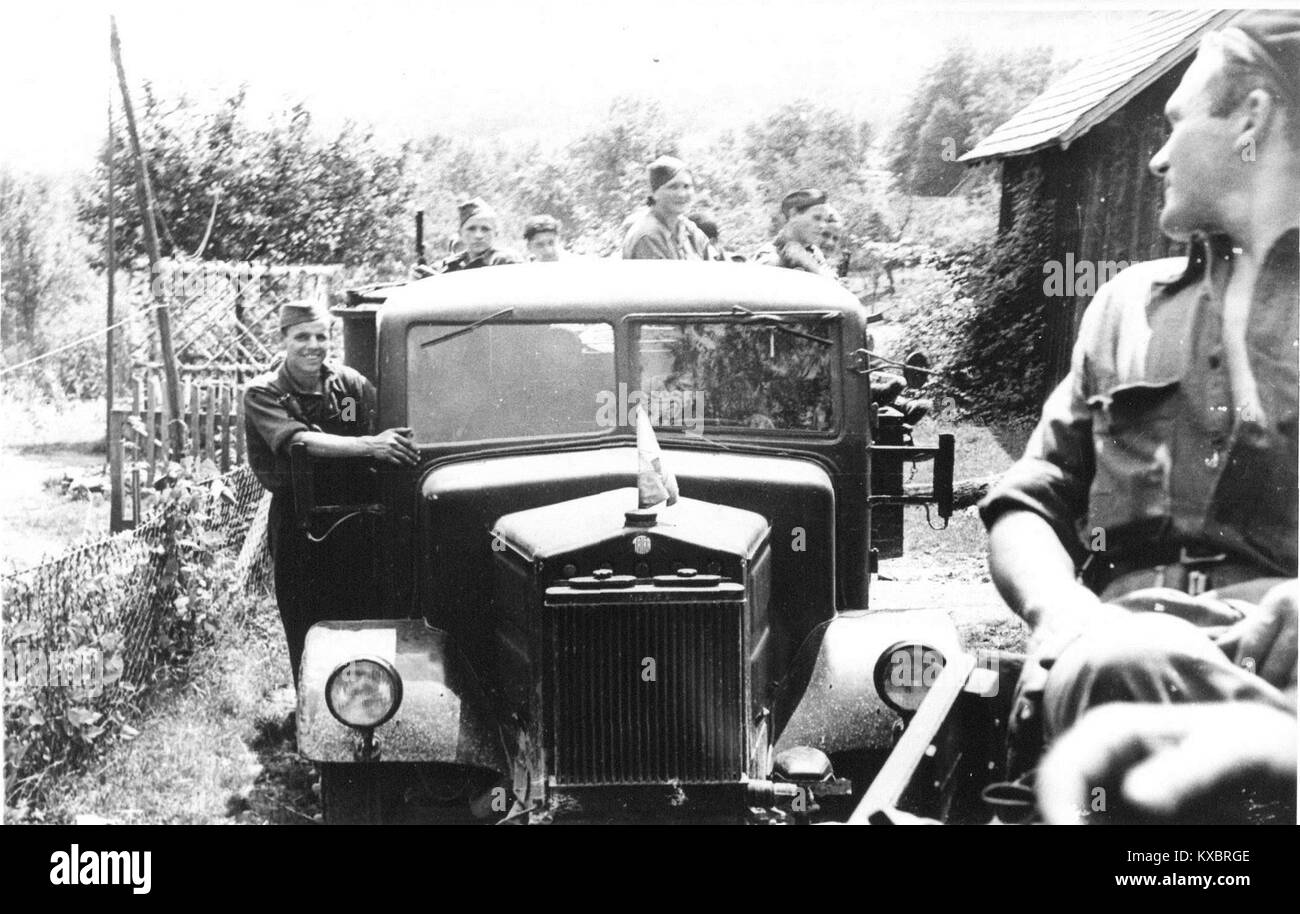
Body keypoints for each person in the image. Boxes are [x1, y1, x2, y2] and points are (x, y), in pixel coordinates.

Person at [979, 10, 1300, 766]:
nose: (1155, 160)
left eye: (1175, 123)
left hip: (1279, 662)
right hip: (1111, 653)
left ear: (1251, 118)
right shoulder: (1126, 306)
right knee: (1125, 666)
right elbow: (1030, 502)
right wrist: (1061, 611)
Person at [244, 300, 419, 682]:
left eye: (321, 337)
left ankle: (364, 707)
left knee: (360, 615)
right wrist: (371, 446)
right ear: (283, 340)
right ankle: (310, 714)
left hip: (353, 517)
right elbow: (298, 443)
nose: (313, 345)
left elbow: (354, 426)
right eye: (302, 337)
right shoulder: (265, 393)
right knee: (306, 621)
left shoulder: (345, 386)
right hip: (299, 520)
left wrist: (369, 444)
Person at [621, 155, 715, 260]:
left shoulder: (686, 227)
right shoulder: (647, 237)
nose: (682, 194)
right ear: (654, 193)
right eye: (673, 187)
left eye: (687, 186)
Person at [417, 197, 522, 276]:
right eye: (471, 229)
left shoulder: (504, 260)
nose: (478, 235)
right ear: (460, 234)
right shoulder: (450, 264)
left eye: (485, 229)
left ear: (496, 233)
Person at [752, 188, 839, 279]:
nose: (822, 226)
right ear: (793, 214)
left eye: (825, 220)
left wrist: (808, 263)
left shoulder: (814, 253)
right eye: (816, 218)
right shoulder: (771, 258)